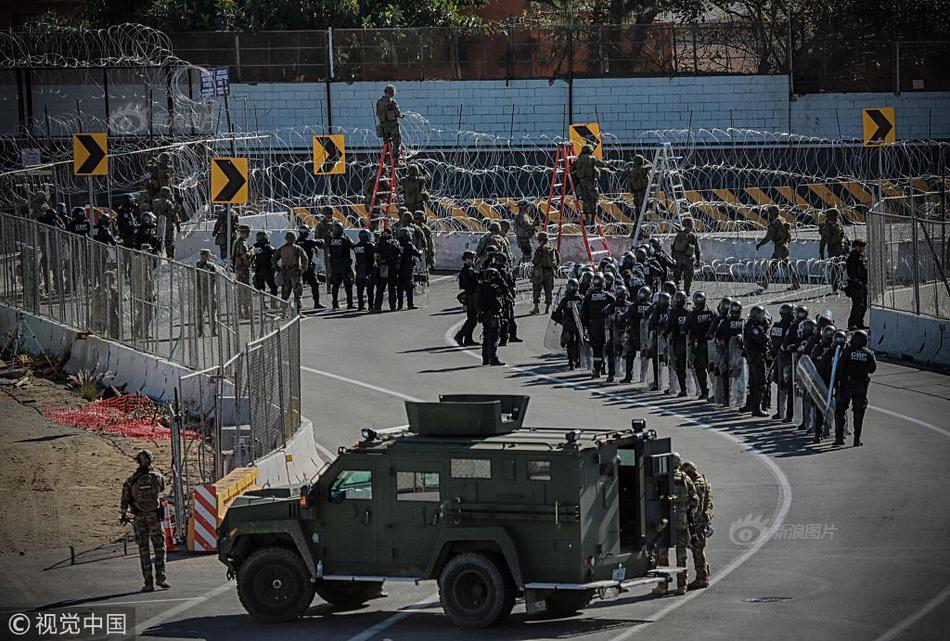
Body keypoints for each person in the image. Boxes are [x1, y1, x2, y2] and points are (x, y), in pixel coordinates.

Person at [120, 449, 169, 592]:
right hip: (154, 517)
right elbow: (161, 489)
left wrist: (123, 514)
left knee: (144, 550)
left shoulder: (131, 481)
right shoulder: (158, 477)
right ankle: (162, 578)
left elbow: (124, 499)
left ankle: (148, 582)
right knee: (159, 548)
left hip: (139, 518)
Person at [653, 452, 698, 596]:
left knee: (662, 553)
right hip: (681, 519)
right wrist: (686, 510)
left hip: (665, 520)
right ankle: (681, 586)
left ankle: (663, 585)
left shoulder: (663, 478)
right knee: (681, 553)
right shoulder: (685, 479)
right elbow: (695, 499)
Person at [834, 330, 875, 446]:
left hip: (847, 384)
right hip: (861, 386)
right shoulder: (868, 353)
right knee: (859, 413)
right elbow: (872, 369)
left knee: (841, 410)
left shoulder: (847, 351)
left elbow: (840, 367)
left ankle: (839, 438)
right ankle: (857, 440)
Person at [680, 461, 712, 590]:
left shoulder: (698, 484)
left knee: (697, 549)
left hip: (698, 522)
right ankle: (704, 575)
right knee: (698, 549)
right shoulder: (702, 480)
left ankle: (702, 578)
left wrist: (691, 521)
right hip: (700, 521)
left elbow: (697, 507)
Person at [755, 205, 800, 290]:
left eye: (769, 213)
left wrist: (760, 244)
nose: (768, 214)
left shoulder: (775, 223)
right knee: (773, 265)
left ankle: (796, 284)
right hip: (782, 246)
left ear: (771, 213)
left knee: (787, 267)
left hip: (780, 248)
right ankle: (765, 282)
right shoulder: (782, 220)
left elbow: (768, 237)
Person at [581, 274, 616, 379]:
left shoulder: (588, 297)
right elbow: (616, 307)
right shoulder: (609, 296)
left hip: (594, 325)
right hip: (607, 324)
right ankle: (609, 371)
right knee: (608, 348)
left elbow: (583, 314)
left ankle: (597, 370)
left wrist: (585, 326)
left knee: (597, 348)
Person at [742, 305, 770, 417]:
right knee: (760, 383)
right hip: (756, 357)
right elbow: (762, 338)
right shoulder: (751, 326)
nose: (762, 317)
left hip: (754, 357)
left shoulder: (755, 325)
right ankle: (756, 407)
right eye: (760, 315)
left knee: (753, 382)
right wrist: (766, 329)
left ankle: (752, 405)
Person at [620, 286, 651, 383]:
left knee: (630, 355)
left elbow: (624, 316)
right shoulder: (651, 307)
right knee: (646, 356)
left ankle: (629, 376)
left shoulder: (634, 306)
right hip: (647, 336)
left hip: (635, 335)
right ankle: (645, 377)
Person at [769, 304, 795, 421]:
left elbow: (772, 341)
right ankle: (788, 414)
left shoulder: (776, 326)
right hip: (788, 359)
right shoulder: (791, 327)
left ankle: (780, 412)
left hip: (778, 357)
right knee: (789, 386)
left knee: (781, 386)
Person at [686, 291, 714, 399]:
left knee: (700, 369)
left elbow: (684, 329)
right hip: (711, 345)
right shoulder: (711, 312)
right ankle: (715, 391)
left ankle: (704, 391)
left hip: (698, 346)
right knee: (711, 369)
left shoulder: (692, 315)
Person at [551, 278, 583, 369]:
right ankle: (577, 360)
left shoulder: (565, 300)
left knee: (570, 343)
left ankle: (571, 362)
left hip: (568, 323)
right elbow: (585, 311)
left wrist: (561, 320)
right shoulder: (581, 298)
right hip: (578, 323)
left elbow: (558, 311)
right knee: (579, 342)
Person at [476, 267, 505, 366]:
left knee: (486, 336)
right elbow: (499, 299)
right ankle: (493, 358)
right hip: (492, 315)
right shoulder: (492, 289)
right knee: (493, 337)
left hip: (484, 315)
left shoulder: (481, 287)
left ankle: (486, 358)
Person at [274, 232, 308, 311]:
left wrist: (278, 268)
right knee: (297, 293)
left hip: (285, 272)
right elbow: (305, 259)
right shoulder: (297, 248)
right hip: (295, 272)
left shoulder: (281, 249)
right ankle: (297, 312)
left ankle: (283, 312)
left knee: (285, 294)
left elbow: (274, 259)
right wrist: (303, 269)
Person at [572, 144, 608, 219]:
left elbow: (573, 165)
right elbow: (602, 164)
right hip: (591, 182)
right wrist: (611, 162)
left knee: (585, 199)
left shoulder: (578, 159)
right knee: (593, 199)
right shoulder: (592, 158)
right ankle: (593, 219)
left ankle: (587, 219)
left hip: (582, 183)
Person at [666, 291, 691, 397]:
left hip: (678, 344)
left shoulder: (673, 313)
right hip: (689, 343)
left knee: (679, 367)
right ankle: (695, 388)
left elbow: (667, 328)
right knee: (691, 366)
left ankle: (683, 389)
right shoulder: (689, 313)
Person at [454, 250, 480, 346]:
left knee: (472, 319)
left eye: (472, 258)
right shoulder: (468, 271)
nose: (472, 260)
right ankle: (460, 335)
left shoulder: (469, 269)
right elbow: (468, 285)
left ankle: (468, 339)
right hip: (471, 296)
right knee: (472, 319)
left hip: (470, 296)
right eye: (470, 258)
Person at [296, 226, 325, 310]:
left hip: (299, 267)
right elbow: (320, 243)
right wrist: (322, 239)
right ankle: (316, 303)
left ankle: (297, 306)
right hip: (307, 267)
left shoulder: (297, 241)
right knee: (315, 284)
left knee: (297, 287)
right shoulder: (308, 241)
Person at [327, 222, 355, 309]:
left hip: (335, 266)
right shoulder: (345, 239)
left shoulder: (331, 240)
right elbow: (353, 246)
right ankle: (350, 303)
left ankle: (335, 303)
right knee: (348, 285)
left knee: (335, 285)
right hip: (345, 266)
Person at [530, 231, 559, 314]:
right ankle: (547, 308)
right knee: (549, 290)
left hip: (540, 272)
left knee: (537, 290)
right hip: (550, 272)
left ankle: (536, 308)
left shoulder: (540, 249)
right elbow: (557, 258)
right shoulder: (552, 247)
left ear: (540, 240)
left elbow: (535, 261)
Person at [605, 286, 629, 384]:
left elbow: (605, 311)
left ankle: (611, 375)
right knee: (626, 354)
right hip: (624, 334)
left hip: (618, 334)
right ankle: (627, 374)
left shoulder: (612, 305)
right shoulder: (629, 305)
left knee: (612, 354)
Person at [671, 218, 701, 295]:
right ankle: (686, 291)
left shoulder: (679, 234)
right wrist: (698, 260)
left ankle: (676, 290)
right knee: (688, 276)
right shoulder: (692, 235)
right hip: (687, 259)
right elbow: (697, 250)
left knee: (677, 276)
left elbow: (673, 247)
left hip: (678, 259)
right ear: (691, 225)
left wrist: (673, 259)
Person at [374, 228, 401, 312]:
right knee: (392, 288)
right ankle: (393, 306)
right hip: (392, 267)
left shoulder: (380, 243)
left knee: (380, 288)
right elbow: (399, 254)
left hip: (383, 267)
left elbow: (376, 254)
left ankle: (378, 307)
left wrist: (378, 264)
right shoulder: (395, 242)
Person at [230, 224, 254, 319]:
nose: (248, 234)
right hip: (243, 269)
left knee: (240, 291)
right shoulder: (242, 243)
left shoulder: (236, 242)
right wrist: (252, 251)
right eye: (247, 233)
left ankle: (241, 311)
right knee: (245, 291)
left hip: (238, 269)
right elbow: (245, 257)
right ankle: (245, 311)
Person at [396, 227, 422, 310]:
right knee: (409, 287)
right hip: (407, 268)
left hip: (398, 268)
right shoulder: (409, 245)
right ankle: (410, 304)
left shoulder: (396, 244)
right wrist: (421, 251)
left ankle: (399, 305)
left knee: (399, 287)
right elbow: (417, 253)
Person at [845, 238, 868, 330]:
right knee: (857, 305)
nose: (863, 248)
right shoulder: (853, 258)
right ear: (856, 247)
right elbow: (851, 274)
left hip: (862, 284)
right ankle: (852, 324)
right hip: (856, 285)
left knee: (863, 306)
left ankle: (859, 323)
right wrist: (858, 283)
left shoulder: (860, 257)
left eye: (863, 247)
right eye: (861, 246)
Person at [375, 84, 404, 159]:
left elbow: (377, 114)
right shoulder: (392, 101)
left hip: (383, 127)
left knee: (387, 143)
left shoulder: (379, 102)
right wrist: (402, 115)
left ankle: (386, 159)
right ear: (391, 92)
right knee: (397, 140)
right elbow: (398, 114)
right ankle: (396, 158)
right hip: (393, 126)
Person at [196, 249, 219, 335]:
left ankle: (213, 330)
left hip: (210, 292)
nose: (206, 257)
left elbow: (215, 276)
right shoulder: (198, 265)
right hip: (201, 292)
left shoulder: (211, 266)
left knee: (212, 312)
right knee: (200, 313)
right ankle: (201, 331)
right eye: (205, 255)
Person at [353, 229, 376, 311]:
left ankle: (360, 305)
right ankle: (371, 305)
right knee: (370, 289)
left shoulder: (356, 246)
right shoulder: (370, 245)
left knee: (360, 290)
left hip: (359, 269)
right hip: (368, 269)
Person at [252, 231, 278, 298]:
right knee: (273, 286)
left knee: (260, 288)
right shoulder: (268, 247)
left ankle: (262, 304)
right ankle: (273, 303)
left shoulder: (254, 247)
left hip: (258, 270)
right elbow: (276, 252)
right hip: (268, 270)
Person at [314, 210, 335, 288]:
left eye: (330, 214)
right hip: (325, 248)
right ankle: (329, 285)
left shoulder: (336, 223)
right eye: (328, 214)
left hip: (335, 247)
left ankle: (335, 282)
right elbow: (316, 237)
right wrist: (316, 246)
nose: (329, 215)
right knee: (327, 267)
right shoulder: (320, 225)